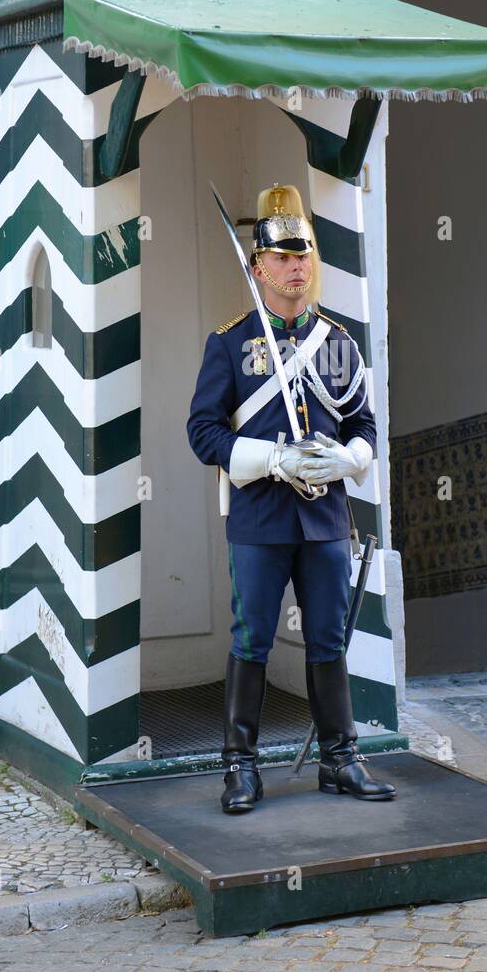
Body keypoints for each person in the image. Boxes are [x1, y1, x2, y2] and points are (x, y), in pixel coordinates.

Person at [186, 183, 397, 813]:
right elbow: (203, 433)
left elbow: (363, 425)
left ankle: (340, 758)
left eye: (303, 254)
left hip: (325, 516)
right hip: (259, 516)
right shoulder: (228, 343)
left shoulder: (337, 343)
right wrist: (272, 458)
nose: (296, 266)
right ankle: (240, 767)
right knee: (252, 637)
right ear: (258, 266)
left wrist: (349, 458)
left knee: (329, 639)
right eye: (281, 257)